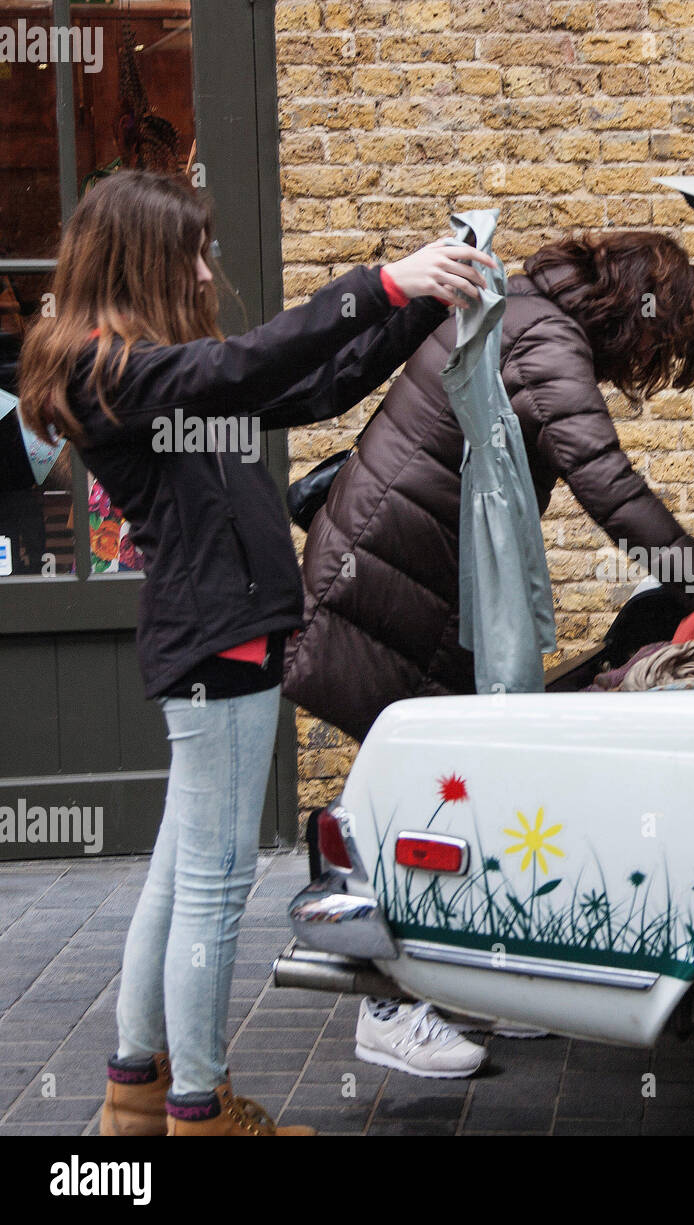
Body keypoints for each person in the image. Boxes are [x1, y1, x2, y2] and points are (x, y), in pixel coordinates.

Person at [18, 169, 495, 1135]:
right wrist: (386, 280)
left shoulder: (148, 371)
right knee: (214, 884)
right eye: (192, 250)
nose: (204, 268)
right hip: (218, 643)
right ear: (143, 255)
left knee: (175, 872)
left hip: (213, 638)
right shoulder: (109, 372)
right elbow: (247, 362)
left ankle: (135, 1092)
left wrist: (420, 307)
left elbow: (310, 381)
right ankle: (200, 1107)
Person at [282, 230, 694, 1074]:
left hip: (413, 580)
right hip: (385, 578)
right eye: (656, 348)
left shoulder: (523, 311)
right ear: (635, 311)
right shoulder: (542, 334)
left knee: (450, 786)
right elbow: (606, 482)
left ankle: (477, 983)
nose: (645, 371)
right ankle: (381, 1004)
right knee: (406, 793)